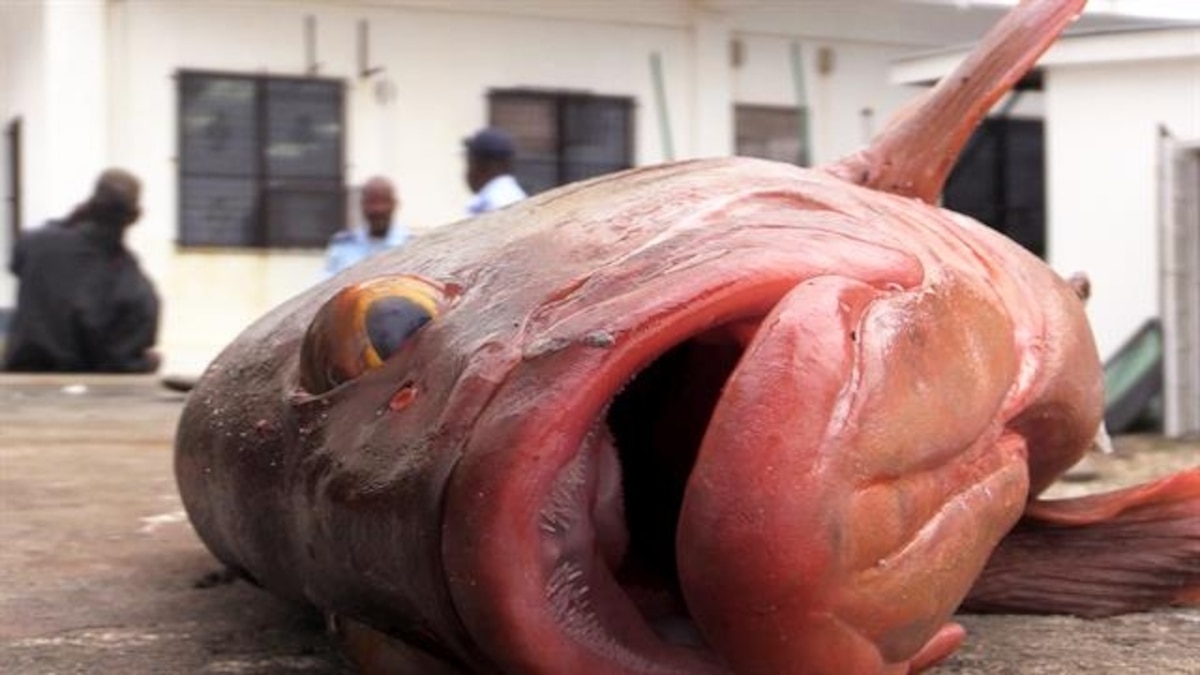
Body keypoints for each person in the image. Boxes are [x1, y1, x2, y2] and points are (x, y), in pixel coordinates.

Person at [4, 168, 161, 373]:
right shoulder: (133, 284)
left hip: (20, 375)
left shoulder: (36, 243)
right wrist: (149, 363)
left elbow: (18, 262)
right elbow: (120, 360)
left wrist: (69, 222)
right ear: (134, 217)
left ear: (89, 205)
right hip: (85, 387)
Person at [323, 176, 409, 278]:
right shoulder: (343, 247)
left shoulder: (410, 247)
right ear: (362, 204)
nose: (378, 209)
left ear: (395, 204)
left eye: (384, 201)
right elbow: (324, 289)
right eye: (372, 202)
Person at [464, 127, 527, 215]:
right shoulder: (508, 195)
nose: (467, 173)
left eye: (470, 163)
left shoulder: (498, 201)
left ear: (482, 164)